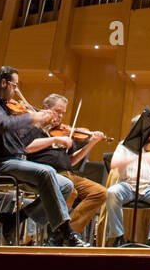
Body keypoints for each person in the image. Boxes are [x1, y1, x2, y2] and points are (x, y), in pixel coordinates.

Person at [0, 66, 88, 247]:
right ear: (3, 83)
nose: (16, 90)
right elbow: (3, 124)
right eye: (14, 85)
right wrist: (32, 117)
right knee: (46, 172)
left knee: (66, 185)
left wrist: (39, 126)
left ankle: (14, 219)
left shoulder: (7, 109)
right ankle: (66, 233)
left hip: (13, 163)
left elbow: (21, 144)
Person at [16, 94, 108, 241]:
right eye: (57, 111)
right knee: (70, 190)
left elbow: (72, 161)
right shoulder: (33, 128)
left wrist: (91, 143)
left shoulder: (62, 132)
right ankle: (63, 233)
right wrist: (54, 139)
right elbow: (26, 148)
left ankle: (63, 233)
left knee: (100, 192)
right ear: (45, 109)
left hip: (68, 174)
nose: (60, 116)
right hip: (45, 174)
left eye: (62, 113)